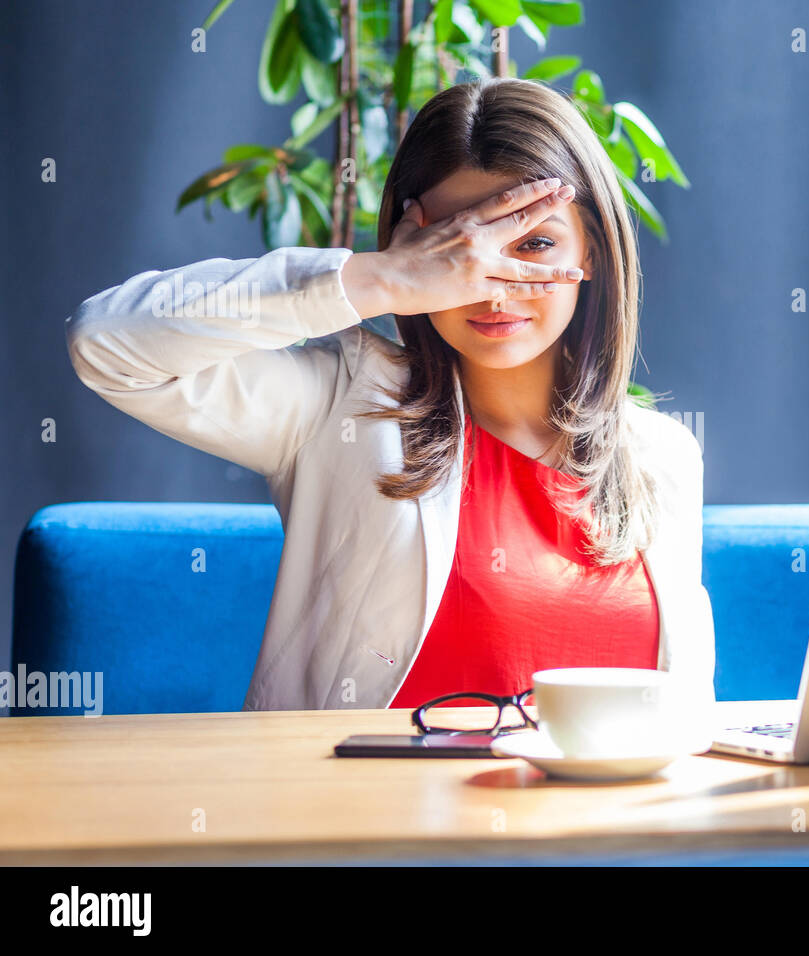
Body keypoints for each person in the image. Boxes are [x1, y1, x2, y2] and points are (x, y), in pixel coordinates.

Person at [65, 78, 714, 742]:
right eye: (458, 246)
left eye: (533, 243)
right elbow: (109, 343)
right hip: (377, 832)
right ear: (416, 242)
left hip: (609, 840)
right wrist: (382, 279)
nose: (490, 283)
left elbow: (683, 719)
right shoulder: (342, 406)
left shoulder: (662, 456)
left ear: (594, 253)